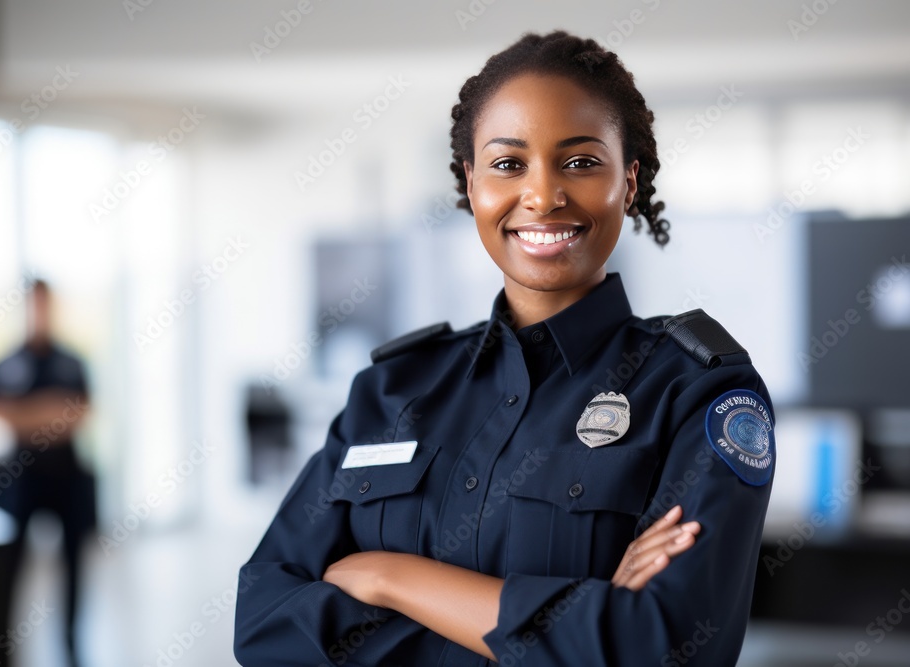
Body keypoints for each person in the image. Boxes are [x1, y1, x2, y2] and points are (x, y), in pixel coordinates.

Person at [234, 31, 775, 666]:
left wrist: (389, 579)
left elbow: (666, 650)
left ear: (628, 184)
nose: (543, 195)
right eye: (508, 163)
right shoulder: (391, 390)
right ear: (472, 182)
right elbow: (264, 620)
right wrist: (573, 627)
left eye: (579, 162)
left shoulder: (696, 392)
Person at [0, 279, 96, 667]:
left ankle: (71, 643)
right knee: (9, 563)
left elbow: (79, 413)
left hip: (67, 476)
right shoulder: (8, 361)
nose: (39, 312)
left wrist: (24, 413)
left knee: (74, 563)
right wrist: (48, 411)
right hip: (21, 478)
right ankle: (2, 644)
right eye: (33, 305)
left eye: (45, 305)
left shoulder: (72, 361)